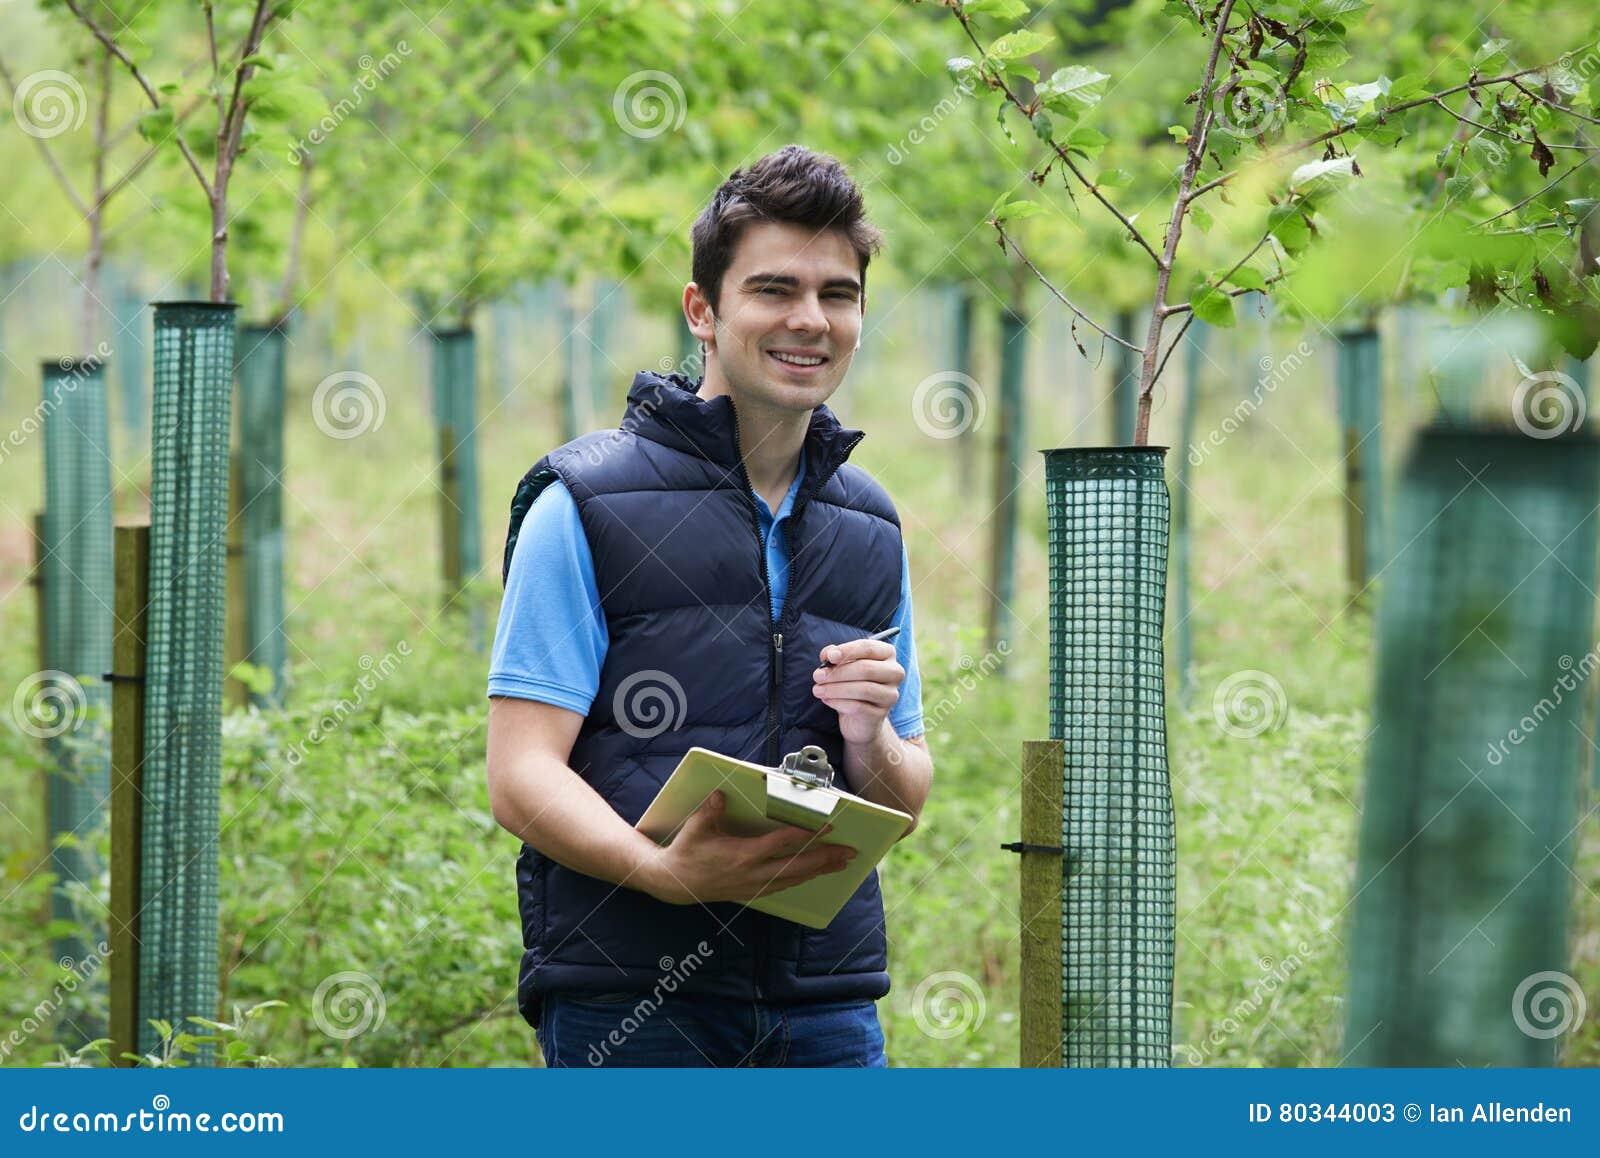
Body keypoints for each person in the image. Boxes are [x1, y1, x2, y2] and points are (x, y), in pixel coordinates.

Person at [485, 144, 933, 1067]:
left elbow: (905, 790)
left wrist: (871, 737)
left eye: (837, 294)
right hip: (634, 1000)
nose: (810, 320)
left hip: (827, 1006)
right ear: (704, 309)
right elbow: (521, 773)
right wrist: (660, 872)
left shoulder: (869, 524)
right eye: (774, 289)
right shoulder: (586, 504)